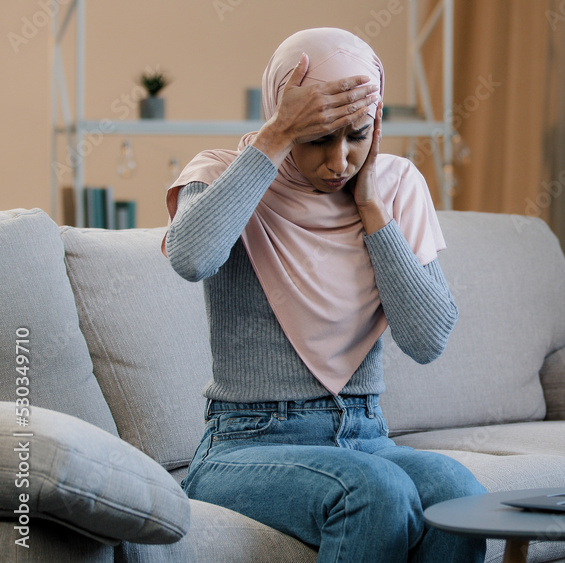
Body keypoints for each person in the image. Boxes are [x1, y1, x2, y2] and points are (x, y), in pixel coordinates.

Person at [162, 28, 486, 562]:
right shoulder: (222, 175)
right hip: (247, 443)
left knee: (461, 498)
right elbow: (191, 258)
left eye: (357, 135)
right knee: (374, 492)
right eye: (317, 139)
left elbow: (428, 339)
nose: (340, 161)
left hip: (367, 434)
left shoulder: (397, 184)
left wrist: (373, 210)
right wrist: (275, 137)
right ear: (283, 121)